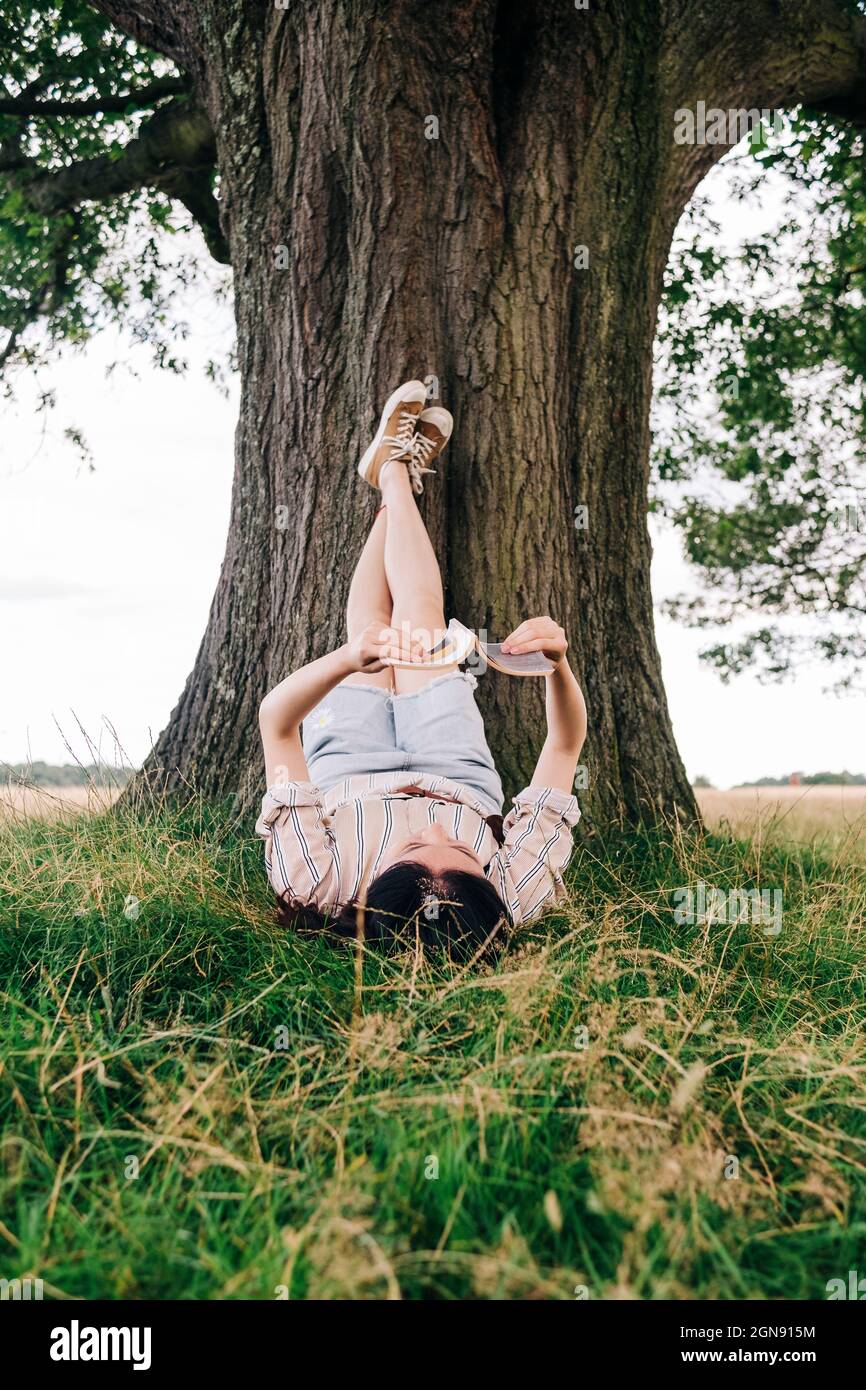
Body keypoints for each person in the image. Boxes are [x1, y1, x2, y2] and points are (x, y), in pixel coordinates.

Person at [256, 380, 587, 955]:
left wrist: (346, 660)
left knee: (371, 631)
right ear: (490, 891)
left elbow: (277, 725)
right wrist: (557, 665)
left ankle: (393, 472)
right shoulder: (519, 893)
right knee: (420, 620)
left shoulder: (313, 884)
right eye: (463, 853)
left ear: (368, 895)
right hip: (455, 769)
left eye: (410, 853)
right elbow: (563, 748)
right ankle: (394, 474)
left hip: (348, 769)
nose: (431, 827)